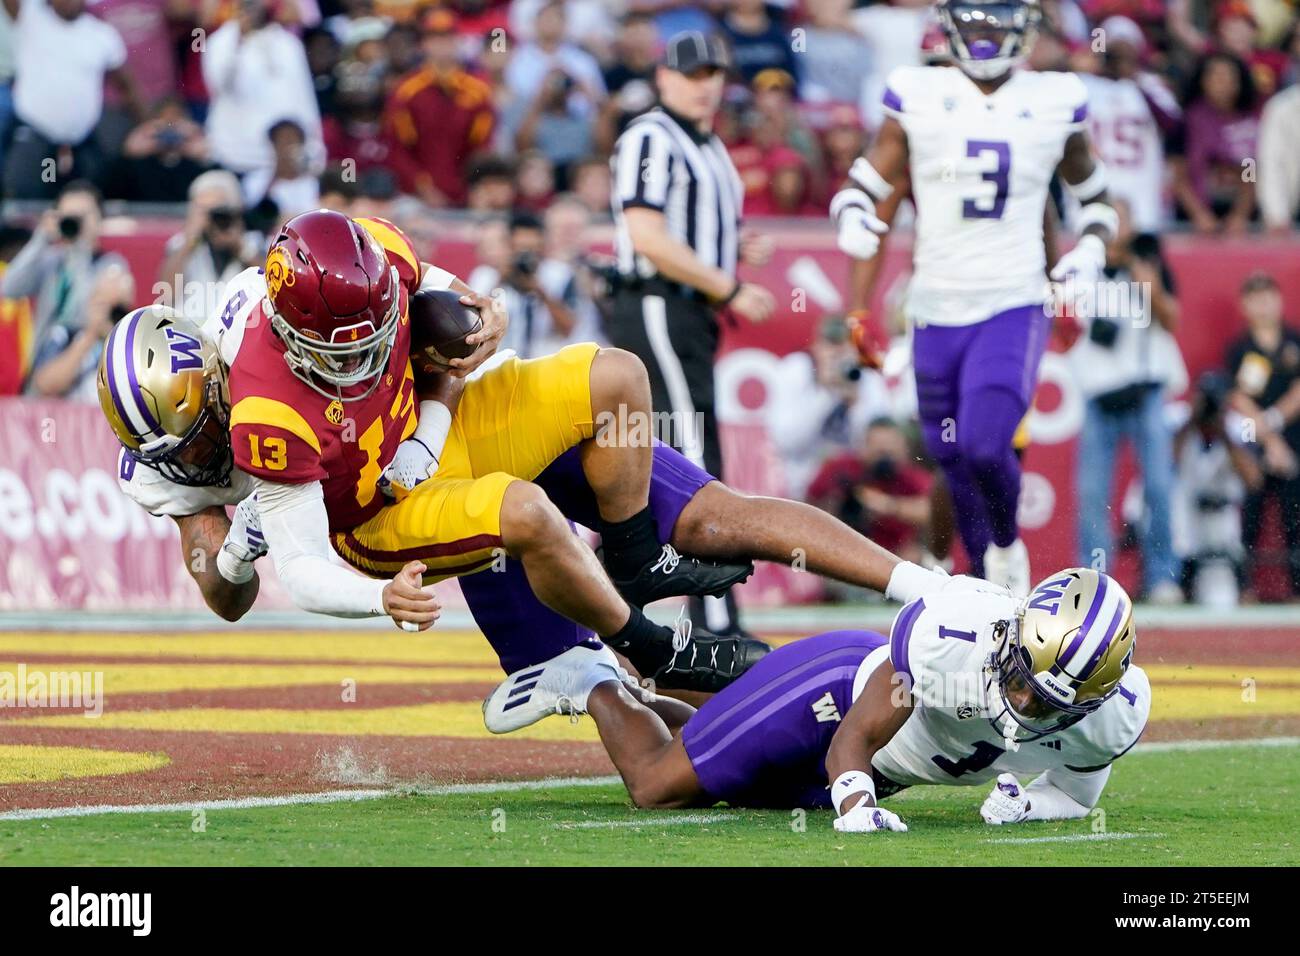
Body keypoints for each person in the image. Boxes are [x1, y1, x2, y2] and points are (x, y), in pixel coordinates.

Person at [207, 210, 761, 691]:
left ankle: (635, 558)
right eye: (341, 348)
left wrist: (488, 314)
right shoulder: (266, 412)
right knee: (526, 508)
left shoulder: (379, 254)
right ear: (286, 330)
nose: (363, 361)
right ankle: (652, 647)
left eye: (372, 335)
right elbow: (301, 564)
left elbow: (449, 297)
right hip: (372, 516)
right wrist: (380, 599)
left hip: (424, 442)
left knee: (619, 374)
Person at [486, 567, 1148, 837]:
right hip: (833, 697)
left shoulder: (1110, 718)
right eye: (1020, 674)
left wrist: (1025, 804)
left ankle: (645, 683)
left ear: (1090, 701)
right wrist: (856, 803)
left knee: (726, 782)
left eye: (1044, 698)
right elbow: (849, 745)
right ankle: (592, 678)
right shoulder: (957, 635)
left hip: (882, 766)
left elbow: (1076, 797)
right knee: (659, 787)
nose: (1020, 696)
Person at [830, 0, 1118, 594]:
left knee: (987, 444)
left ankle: (1007, 556)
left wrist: (1087, 252)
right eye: (975, 24)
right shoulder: (918, 98)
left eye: (997, 24)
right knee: (951, 456)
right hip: (934, 306)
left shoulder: (1051, 102)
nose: (984, 37)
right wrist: (850, 206)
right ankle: (983, 588)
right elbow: (873, 184)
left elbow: (1089, 199)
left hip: (1012, 300)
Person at [607, 30, 776, 637]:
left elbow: (685, 229)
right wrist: (728, 286)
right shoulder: (653, 135)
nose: (705, 84)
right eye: (692, 73)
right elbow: (647, 237)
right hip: (658, 302)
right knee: (693, 452)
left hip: (685, 309)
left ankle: (637, 602)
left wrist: (733, 250)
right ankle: (712, 618)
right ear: (663, 77)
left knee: (681, 448)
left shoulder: (708, 146)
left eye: (713, 74)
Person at [1069, 201, 1184, 603]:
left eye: (1124, 219)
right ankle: (1093, 582)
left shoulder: (1148, 263)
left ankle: (1162, 576)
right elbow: (1063, 324)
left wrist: (1145, 278)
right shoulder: (1082, 269)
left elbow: (1171, 321)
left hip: (1145, 392)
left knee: (1158, 488)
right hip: (1099, 397)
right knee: (1092, 494)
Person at [2, 180, 133, 400]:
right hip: (44, 367)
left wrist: (80, 249)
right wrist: (41, 238)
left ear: (99, 219)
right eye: (69, 216)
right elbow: (9, 288)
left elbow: (88, 313)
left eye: (83, 215)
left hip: (86, 373)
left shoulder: (112, 264)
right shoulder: (50, 261)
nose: (76, 222)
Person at [2, 0, 143, 198]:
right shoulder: (32, 19)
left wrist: (143, 123)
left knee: (85, 199)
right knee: (29, 197)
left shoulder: (102, 35)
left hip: (82, 142)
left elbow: (126, 87)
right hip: (37, 136)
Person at [1225, 272, 1300, 601]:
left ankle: (1297, 586)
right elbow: (1239, 397)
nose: (1263, 305)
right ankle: (1245, 586)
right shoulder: (1241, 348)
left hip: (1293, 437)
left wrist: (1276, 423)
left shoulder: (1293, 342)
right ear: (1244, 306)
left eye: (1268, 296)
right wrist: (1269, 437)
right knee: (1250, 510)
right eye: (1255, 298)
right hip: (1253, 438)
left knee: (1294, 511)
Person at [766, 314, 890, 498]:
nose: (837, 352)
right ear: (816, 346)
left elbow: (879, 447)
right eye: (831, 343)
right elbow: (787, 442)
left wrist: (854, 403)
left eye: (844, 344)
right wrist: (825, 394)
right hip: (803, 485)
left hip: (856, 487)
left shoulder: (867, 377)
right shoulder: (796, 369)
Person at [382, 8, 495, 207]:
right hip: (416, 196)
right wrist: (424, 189)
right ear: (423, 44)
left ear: (458, 41)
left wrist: (473, 188)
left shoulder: (478, 92)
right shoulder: (406, 91)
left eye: (448, 37)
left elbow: (482, 148)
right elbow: (398, 149)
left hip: (467, 195)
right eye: (435, 38)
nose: (442, 45)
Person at [202, 0, 322, 182]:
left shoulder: (289, 43)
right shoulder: (220, 41)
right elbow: (219, 84)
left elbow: (305, 99)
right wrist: (238, 41)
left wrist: (314, 146)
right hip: (237, 155)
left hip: (286, 157)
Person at [806, 417, 933, 566]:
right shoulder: (841, 467)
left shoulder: (911, 477)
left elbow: (934, 511)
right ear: (864, 447)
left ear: (903, 449)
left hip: (895, 558)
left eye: (890, 448)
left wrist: (888, 506)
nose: (885, 455)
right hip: (842, 552)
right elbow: (810, 502)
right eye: (878, 448)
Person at [157, 171, 258, 324]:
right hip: (189, 330)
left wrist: (239, 247)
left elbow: (269, 285)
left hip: (237, 332)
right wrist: (190, 240)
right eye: (204, 211)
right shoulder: (180, 244)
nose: (212, 219)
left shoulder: (251, 243)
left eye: (218, 211)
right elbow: (165, 291)